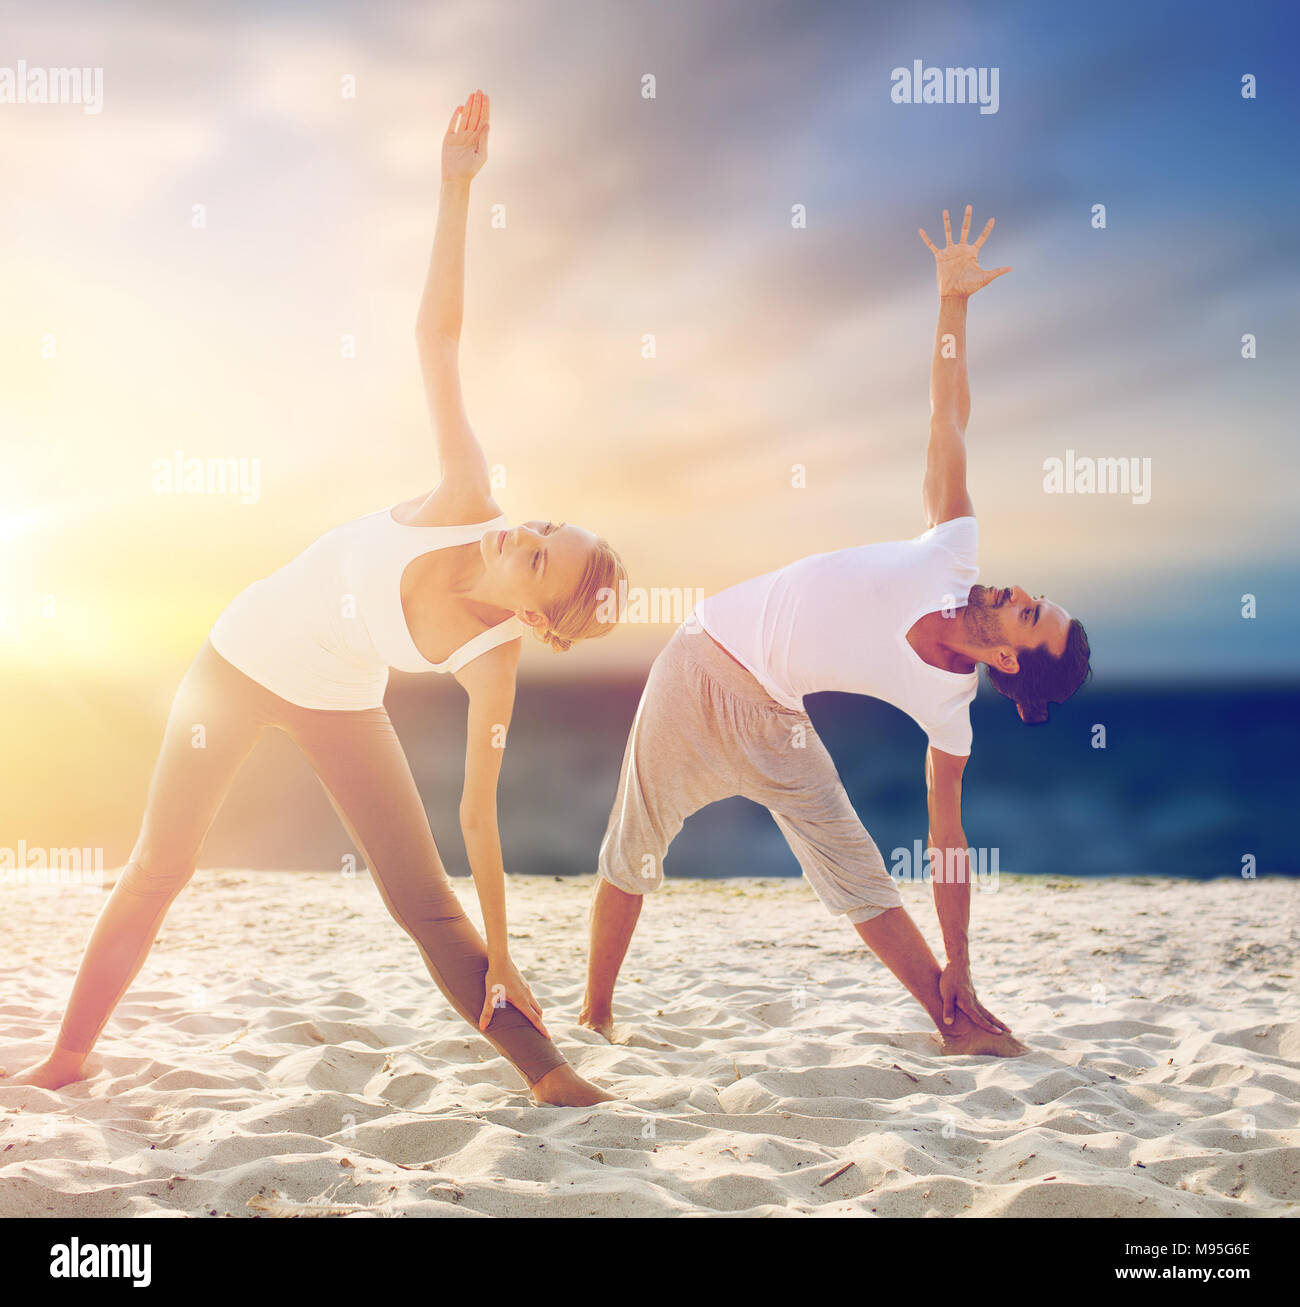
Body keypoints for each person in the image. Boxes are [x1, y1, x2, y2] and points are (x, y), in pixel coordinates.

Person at [4, 90, 622, 1106]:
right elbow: (438, 338)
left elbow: (478, 817)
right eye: (546, 527)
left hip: (338, 697)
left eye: (539, 560)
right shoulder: (468, 497)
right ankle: (70, 1053)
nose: (524, 534)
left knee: (422, 903)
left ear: (536, 617)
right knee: (161, 865)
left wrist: (506, 956)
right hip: (237, 660)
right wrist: (456, 188)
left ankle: (550, 1077)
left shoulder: (493, 660)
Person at [580, 206, 1091, 1057]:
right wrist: (953, 303)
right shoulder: (952, 547)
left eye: (1029, 613)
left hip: (776, 719)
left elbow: (949, 842)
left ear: (1008, 657)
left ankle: (954, 1018)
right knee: (630, 847)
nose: (1019, 592)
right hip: (700, 660)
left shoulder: (950, 709)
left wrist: (962, 956)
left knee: (859, 870)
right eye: (1032, 597)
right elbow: (948, 416)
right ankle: (594, 1017)